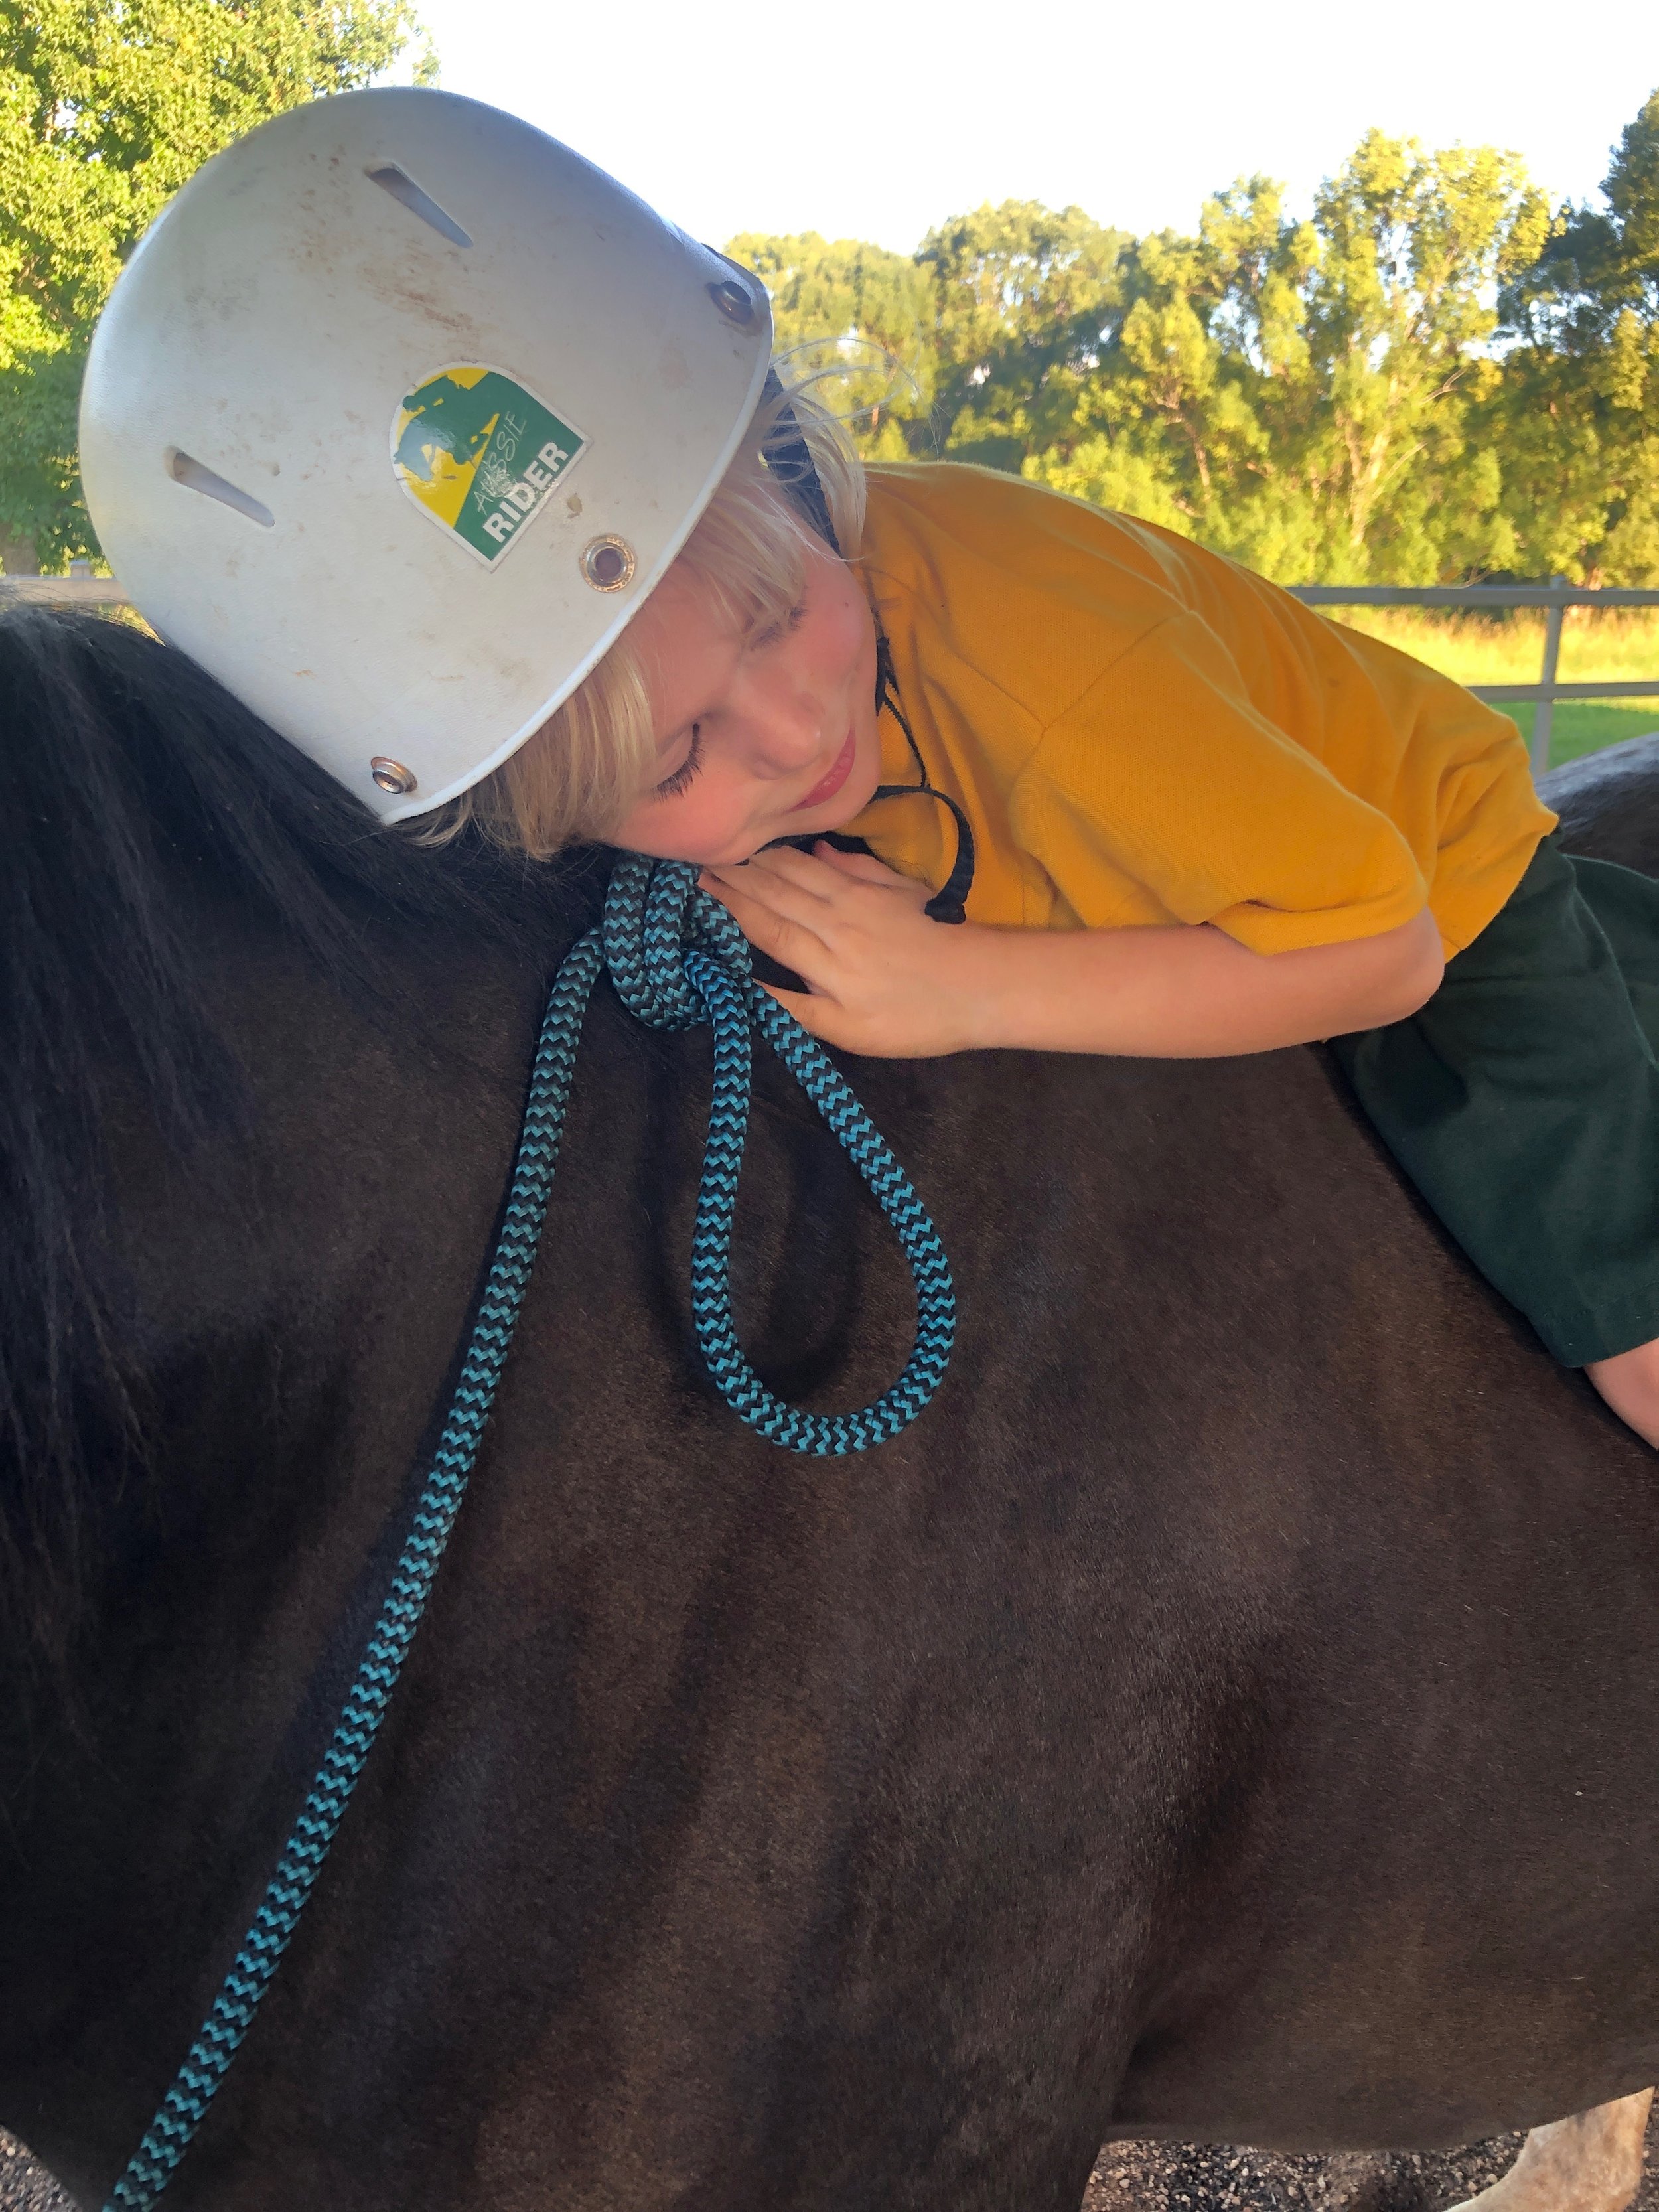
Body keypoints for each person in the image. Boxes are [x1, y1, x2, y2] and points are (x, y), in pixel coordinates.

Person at [78, 86, 1659, 1447]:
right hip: (1187, 862)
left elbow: (1378, 943)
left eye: (775, 615)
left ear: (781, 464)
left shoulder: (1048, 665)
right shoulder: (751, 683)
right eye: (679, 753)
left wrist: (962, 991)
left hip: (1439, 876)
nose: (788, 732)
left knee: (1621, 1323)